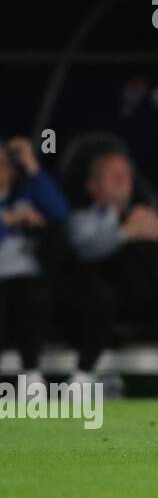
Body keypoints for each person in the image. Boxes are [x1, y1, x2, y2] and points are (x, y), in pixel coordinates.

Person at [64, 149, 158, 399]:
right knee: (133, 251)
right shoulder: (84, 218)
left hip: (152, 294)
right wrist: (126, 232)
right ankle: (81, 377)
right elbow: (84, 249)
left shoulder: (146, 215)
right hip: (109, 294)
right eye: (114, 176)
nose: (124, 181)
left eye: (127, 176)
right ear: (93, 185)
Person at [0, 136, 68, 385]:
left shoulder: (26, 193)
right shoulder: (15, 210)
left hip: (24, 276)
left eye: (3, 165)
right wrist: (9, 221)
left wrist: (31, 166)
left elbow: (60, 212)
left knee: (36, 297)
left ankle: (31, 373)